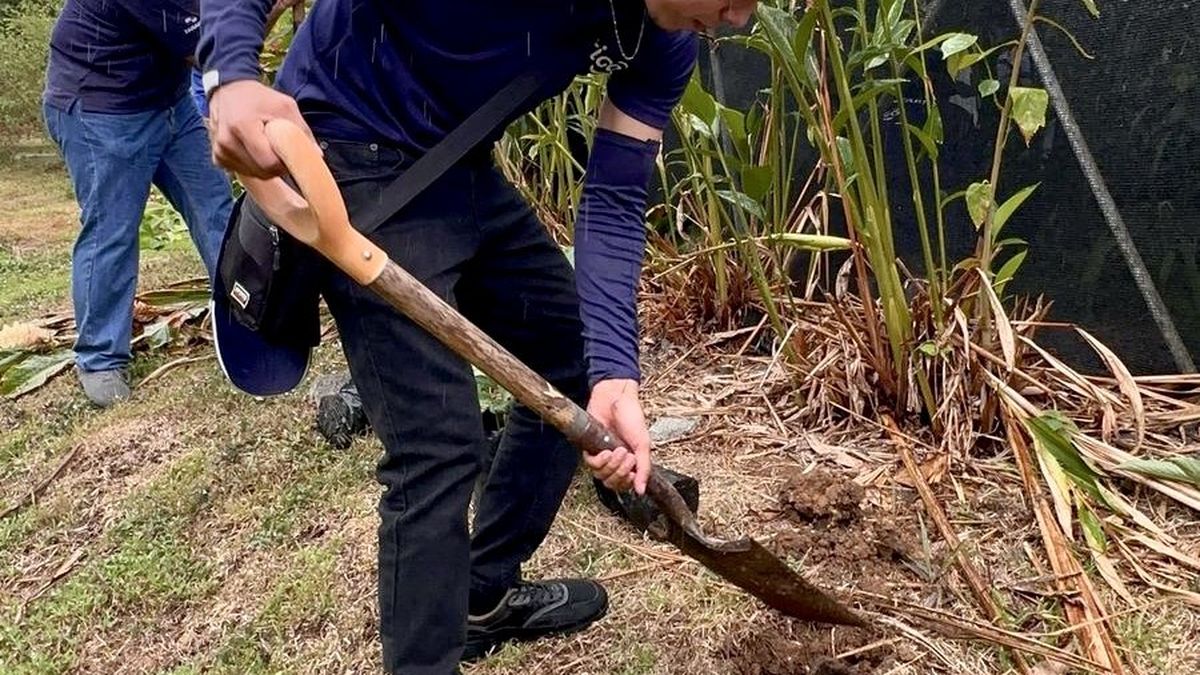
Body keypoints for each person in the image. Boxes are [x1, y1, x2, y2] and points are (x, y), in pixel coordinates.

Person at [197, 0, 756, 671]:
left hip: (454, 160)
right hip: (348, 149)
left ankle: (483, 595)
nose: (740, 16)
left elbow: (612, 198)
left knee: (570, 350)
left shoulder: (664, 43)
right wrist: (230, 72)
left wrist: (615, 374)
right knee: (438, 444)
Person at [41, 0, 236, 407]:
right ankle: (100, 359)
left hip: (170, 101)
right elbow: (207, 50)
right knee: (112, 231)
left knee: (217, 209)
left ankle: (247, 317)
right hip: (102, 107)